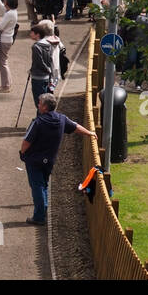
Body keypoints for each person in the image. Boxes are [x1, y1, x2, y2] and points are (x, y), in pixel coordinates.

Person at [20, 93, 96, 225]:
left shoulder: (37, 122)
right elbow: (76, 127)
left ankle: (39, 216)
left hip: (34, 159)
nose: (38, 105)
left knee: (37, 186)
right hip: (49, 160)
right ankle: (43, 210)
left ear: (44, 107)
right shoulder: (61, 119)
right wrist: (89, 133)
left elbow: (27, 141)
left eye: (40, 103)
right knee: (43, 184)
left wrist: (22, 153)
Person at [28, 20, 58, 105]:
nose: (30, 34)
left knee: (39, 102)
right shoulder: (48, 44)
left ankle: (40, 117)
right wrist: (49, 71)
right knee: (45, 100)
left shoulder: (36, 47)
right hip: (46, 77)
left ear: (37, 35)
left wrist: (33, 70)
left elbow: (39, 62)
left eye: (32, 33)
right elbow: (50, 60)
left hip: (38, 76)